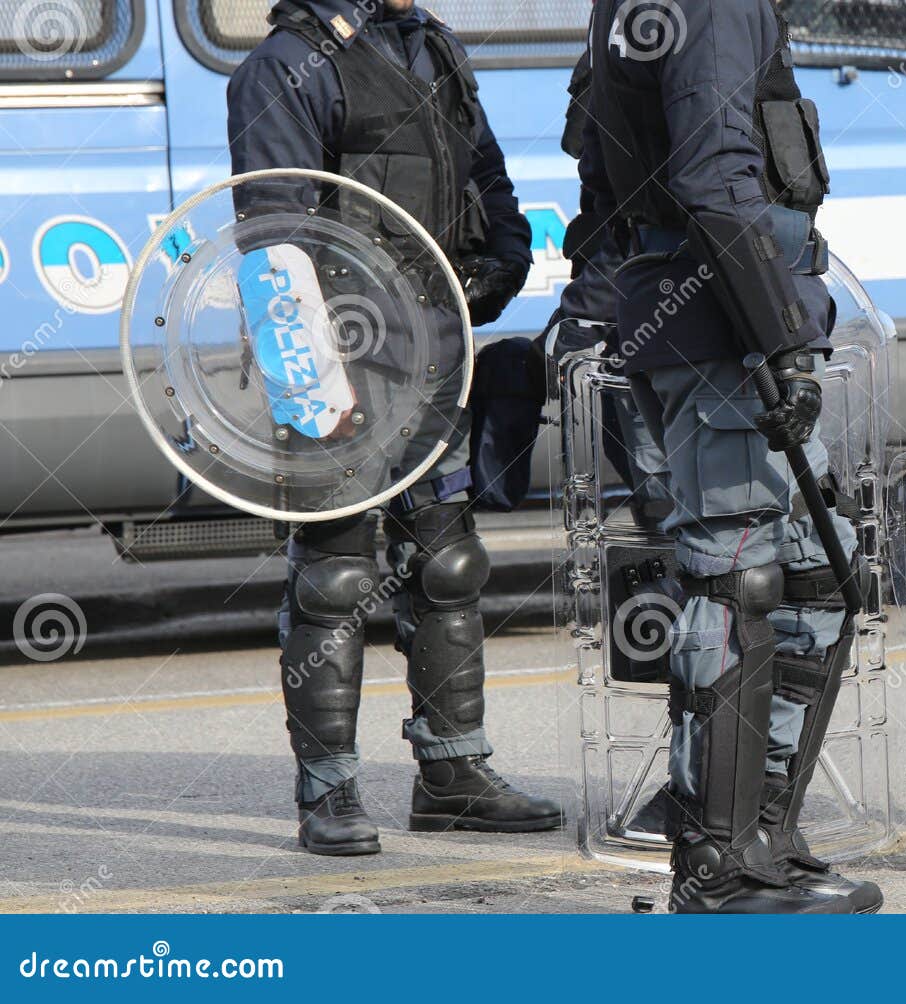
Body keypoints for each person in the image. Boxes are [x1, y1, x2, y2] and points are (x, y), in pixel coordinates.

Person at [227, 0, 560, 855]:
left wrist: (506, 256)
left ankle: (452, 776)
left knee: (448, 564)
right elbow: (272, 232)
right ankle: (328, 793)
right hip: (338, 360)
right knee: (336, 577)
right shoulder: (286, 65)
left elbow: (484, 173)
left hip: (437, 355)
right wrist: (310, 382)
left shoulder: (430, 46)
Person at [581, 0, 882, 913]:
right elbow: (715, 180)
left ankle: (765, 835)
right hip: (721, 331)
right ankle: (715, 866)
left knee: (815, 582)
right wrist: (781, 342)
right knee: (736, 582)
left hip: (729, 321)